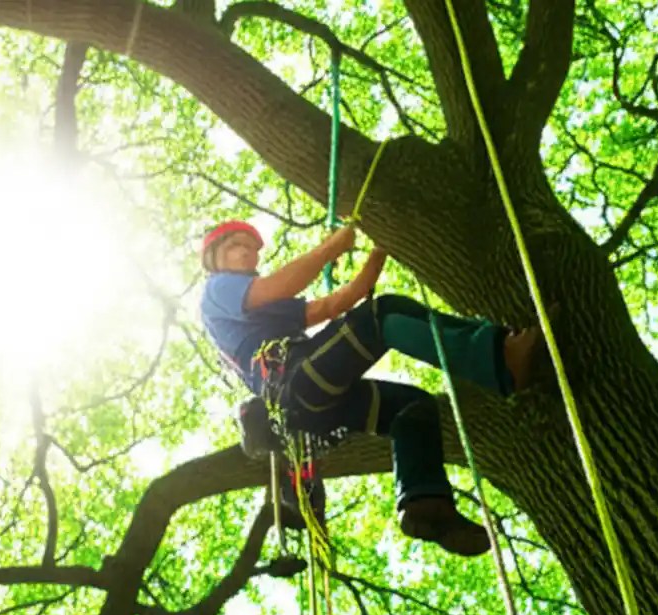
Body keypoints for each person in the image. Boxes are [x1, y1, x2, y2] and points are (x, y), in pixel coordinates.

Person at [198, 220, 543, 557]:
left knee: (412, 408)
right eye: (235, 246)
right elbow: (275, 287)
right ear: (214, 257)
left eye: (251, 248)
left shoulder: (266, 305)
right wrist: (331, 248)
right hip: (295, 381)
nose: (246, 253)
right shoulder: (219, 289)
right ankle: (499, 359)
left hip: (312, 405)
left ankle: (425, 503)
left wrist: (379, 252)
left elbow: (332, 306)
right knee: (383, 313)